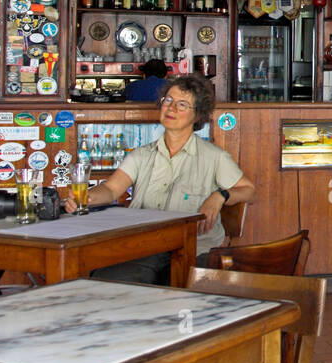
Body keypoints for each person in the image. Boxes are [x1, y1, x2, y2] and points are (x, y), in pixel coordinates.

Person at [66, 74, 255, 284]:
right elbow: (111, 190)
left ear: (198, 114)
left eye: (182, 104)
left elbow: (248, 189)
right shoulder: (141, 155)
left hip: (194, 250)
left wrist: (221, 195)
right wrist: (87, 198)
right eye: (168, 100)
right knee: (106, 283)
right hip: (143, 248)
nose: (171, 108)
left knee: (180, 289)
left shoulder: (214, 157)